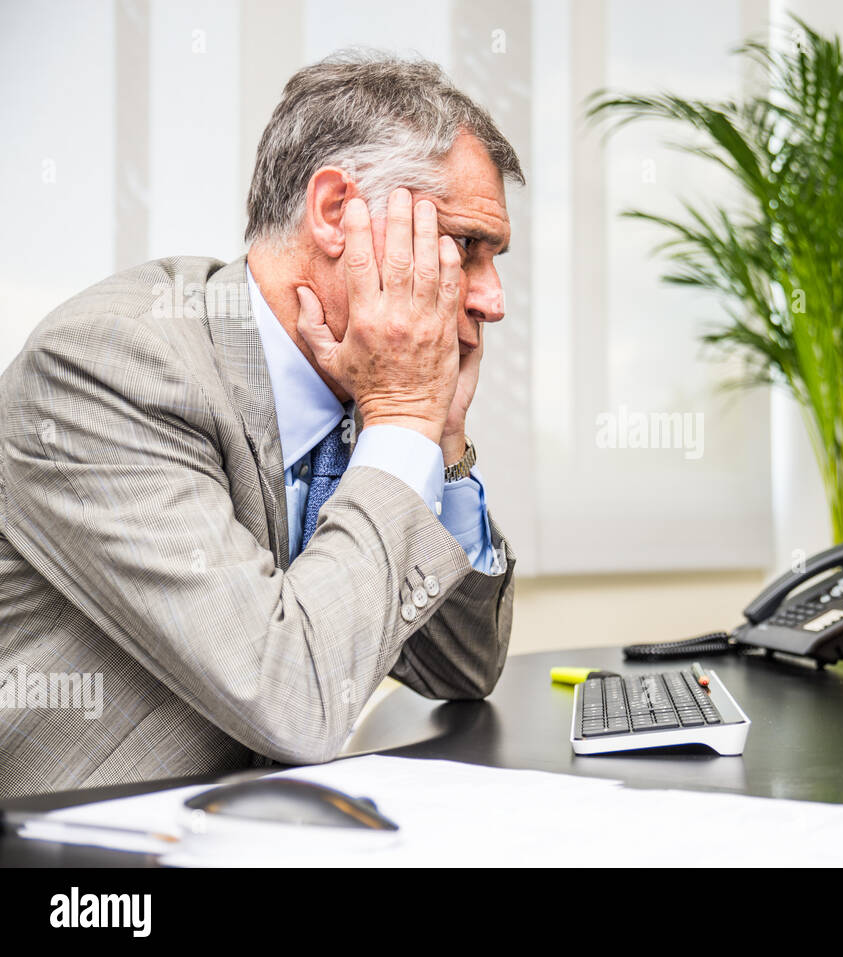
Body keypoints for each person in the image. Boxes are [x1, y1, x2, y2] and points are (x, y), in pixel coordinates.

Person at [0, 51, 522, 798]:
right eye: (467, 246)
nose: (493, 299)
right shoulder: (112, 364)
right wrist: (402, 419)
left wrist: (440, 445)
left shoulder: (356, 386)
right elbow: (298, 701)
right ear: (336, 210)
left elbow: (461, 669)